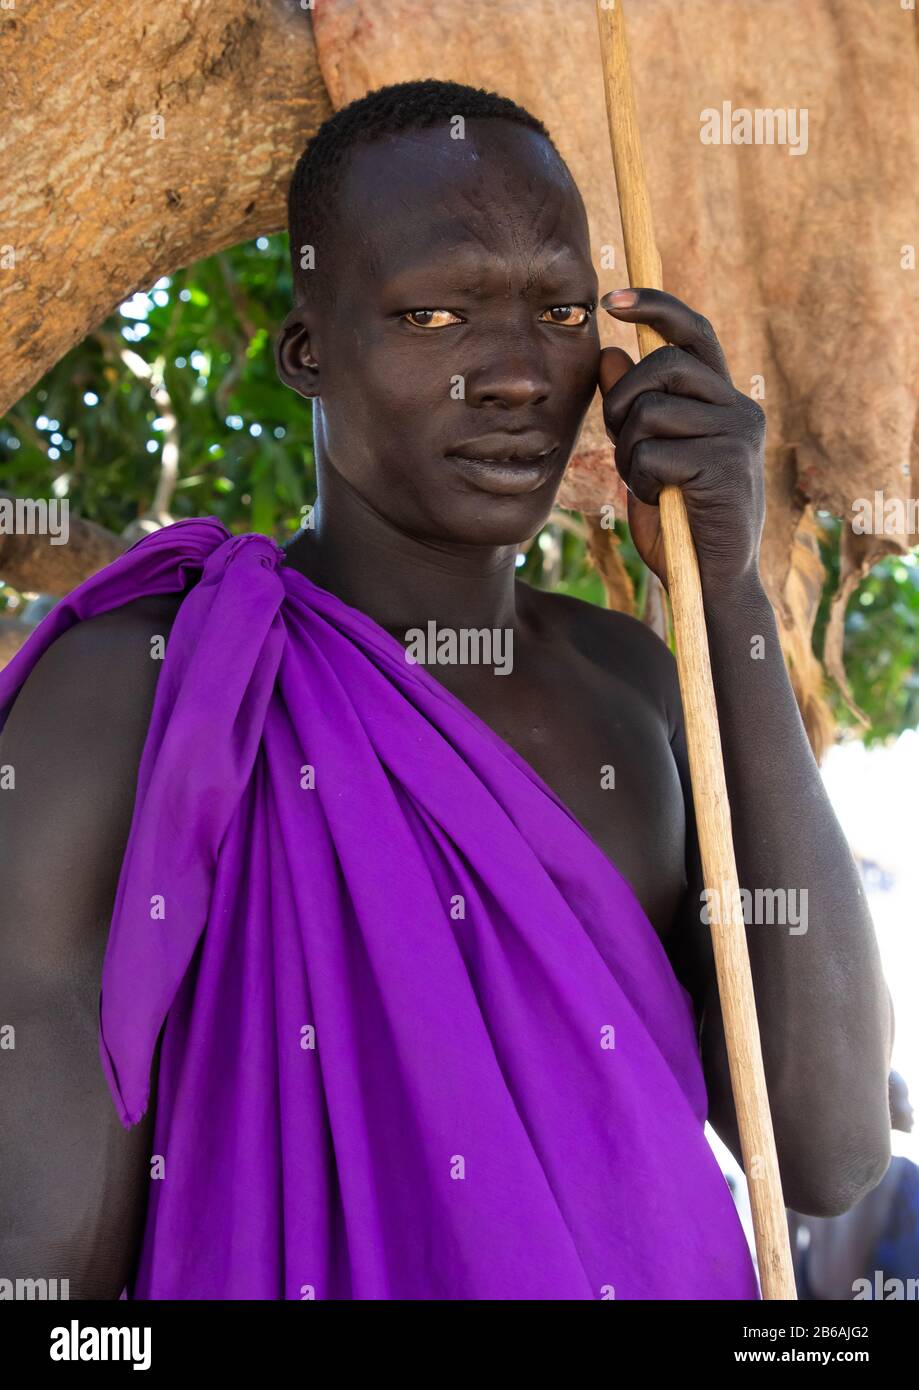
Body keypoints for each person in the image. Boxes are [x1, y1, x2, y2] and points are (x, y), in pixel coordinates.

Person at [0, 80, 893, 1300]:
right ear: (307, 352)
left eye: (559, 311)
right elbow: (37, 1260)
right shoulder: (142, 685)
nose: (518, 374)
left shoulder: (640, 689)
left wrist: (728, 595)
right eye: (433, 313)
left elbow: (827, 1148)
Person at [793, 1072, 919, 1300]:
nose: (911, 1109)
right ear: (883, 1105)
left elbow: (794, 1255)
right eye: (905, 1098)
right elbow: (907, 1264)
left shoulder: (808, 1175)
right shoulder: (906, 1176)